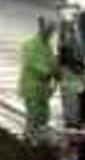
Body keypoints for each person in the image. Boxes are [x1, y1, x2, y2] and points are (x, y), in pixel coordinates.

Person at [18, 16, 58, 145]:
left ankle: (36, 137)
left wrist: (56, 71)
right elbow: (33, 64)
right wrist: (50, 72)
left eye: (52, 31)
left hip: (42, 88)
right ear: (42, 29)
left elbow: (51, 61)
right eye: (50, 30)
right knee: (34, 114)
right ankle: (30, 139)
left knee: (43, 114)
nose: (51, 34)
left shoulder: (46, 44)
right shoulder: (30, 44)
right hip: (31, 87)